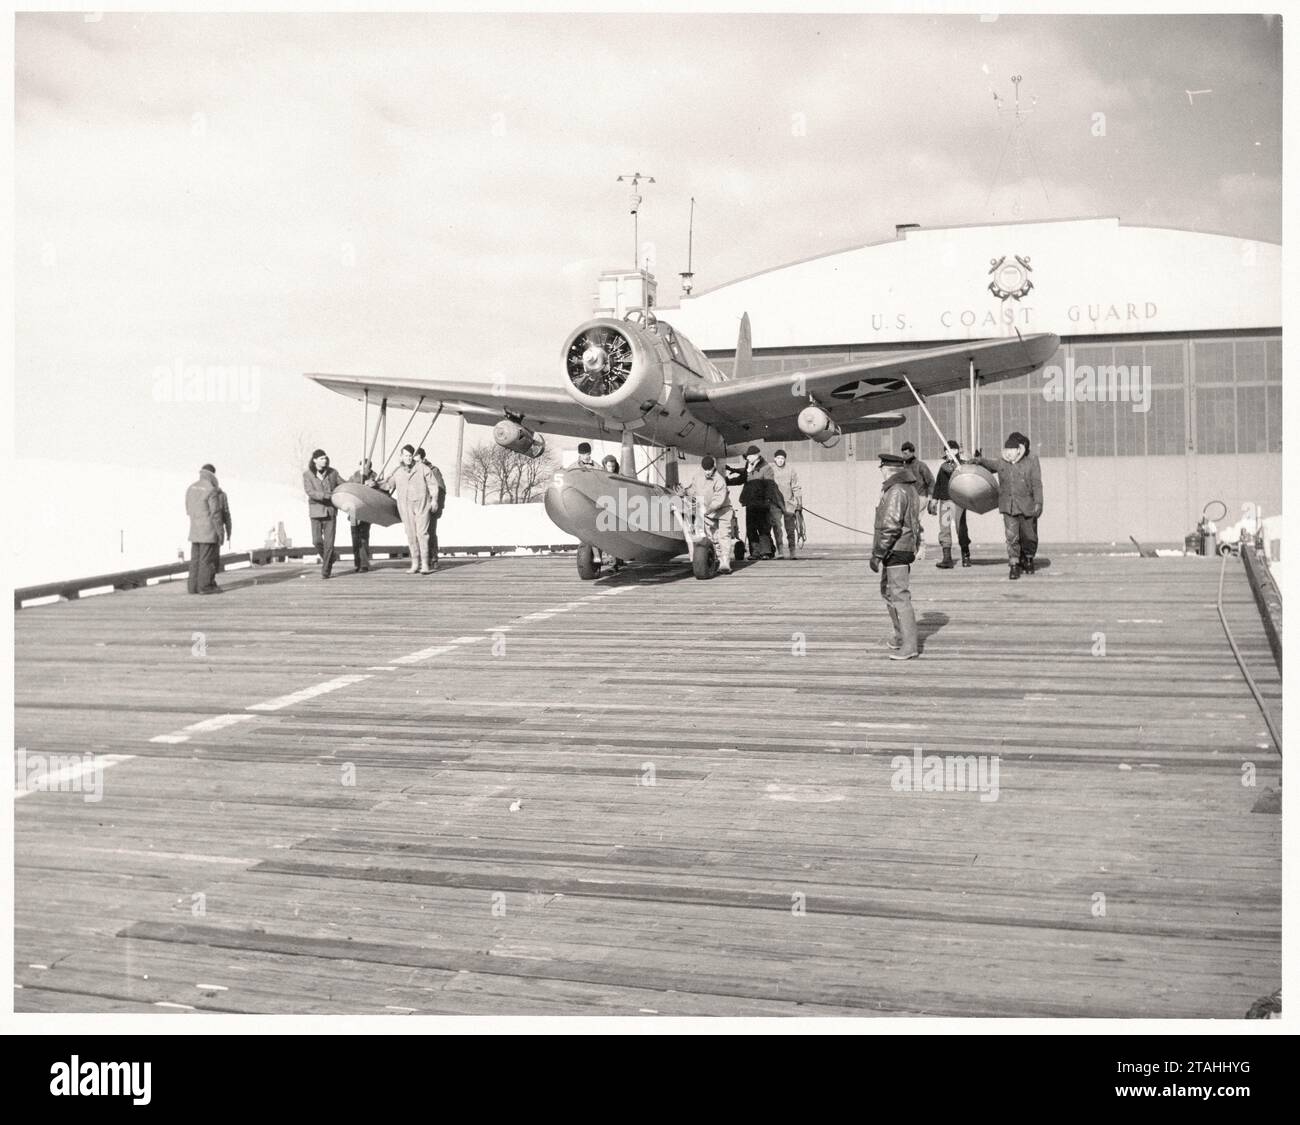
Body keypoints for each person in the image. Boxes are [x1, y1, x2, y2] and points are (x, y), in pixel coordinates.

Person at [870, 452, 922, 660]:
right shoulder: (908, 488)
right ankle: (901, 636)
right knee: (889, 592)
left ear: (887, 469)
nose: (881, 472)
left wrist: (877, 554)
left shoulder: (896, 490)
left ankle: (910, 645)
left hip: (896, 548)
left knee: (899, 596)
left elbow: (891, 526)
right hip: (900, 547)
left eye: (881, 468)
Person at [975, 431, 1043, 580]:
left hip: (1027, 505)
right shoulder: (1002, 462)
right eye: (1008, 450)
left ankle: (1029, 558)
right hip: (1008, 506)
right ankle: (1014, 565)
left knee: (1029, 536)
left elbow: (1037, 483)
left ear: (1020, 449)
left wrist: (1038, 502)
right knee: (1012, 536)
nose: (1011, 452)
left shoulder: (1031, 460)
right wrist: (978, 460)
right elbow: (989, 464)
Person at [381, 444, 438, 574]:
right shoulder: (398, 471)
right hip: (405, 506)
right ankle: (415, 563)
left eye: (410, 455)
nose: (408, 458)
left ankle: (425, 564)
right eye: (405, 455)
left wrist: (434, 500)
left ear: (413, 456)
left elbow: (433, 485)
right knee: (411, 535)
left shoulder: (422, 468)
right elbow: (388, 485)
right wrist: (374, 483)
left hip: (421, 504)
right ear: (401, 456)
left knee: (422, 534)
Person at [679, 455, 734, 574]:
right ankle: (718, 559)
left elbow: (718, 499)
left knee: (724, 535)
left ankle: (725, 562)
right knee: (712, 537)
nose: (708, 472)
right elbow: (693, 490)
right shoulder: (698, 477)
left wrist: (707, 509)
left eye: (709, 469)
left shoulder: (719, 480)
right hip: (708, 514)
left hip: (723, 511)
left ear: (713, 467)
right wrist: (684, 492)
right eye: (706, 470)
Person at [725, 445, 780, 560]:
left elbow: (770, 486)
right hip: (750, 502)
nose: (747, 458)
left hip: (762, 503)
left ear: (756, 455)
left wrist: (768, 500)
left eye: (748, 456)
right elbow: (742, 479)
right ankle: (755, 552)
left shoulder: (766, 468)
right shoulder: (748, 466)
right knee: (751, 528)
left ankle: (767, 552)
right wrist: (727, 481)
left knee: (763, 528)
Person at [185, 463, 229, 594]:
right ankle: (205, 586)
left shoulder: (191, 488)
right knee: (207, 560)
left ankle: (193, 587)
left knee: (195, 560)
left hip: (195, 530)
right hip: (208, 531)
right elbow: (215, 513)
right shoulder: (211, 489)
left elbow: (188, 509)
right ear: (212, 475)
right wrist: (220, 532)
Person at [931, 439, 972, 569]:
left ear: (955, 451)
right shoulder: (943, 467)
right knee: (944, 529)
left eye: (949, 450)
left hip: (959, 501)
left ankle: (966, 555)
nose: (947, 453)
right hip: (945, 501)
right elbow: (938, 485)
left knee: (961, 528)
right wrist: (934, 500)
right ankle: (947, 558)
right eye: (946, 451)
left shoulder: (963, 466)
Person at [303, 450, 343, 579]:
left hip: (330, 512)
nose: (324, 460)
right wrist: (326, 496)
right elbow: (310, 492)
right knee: (316, 541)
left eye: (325, 458)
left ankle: (326, 571)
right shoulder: (307, 475)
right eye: (321, 458)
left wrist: (359, 481)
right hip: (316, 512)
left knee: (329, 543)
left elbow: (344, 484)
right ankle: (332, 557)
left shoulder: (333, 473)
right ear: (314, 460)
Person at [415, 448, 447, 571]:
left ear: (423, 459)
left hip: (431, 506)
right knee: (420, 533)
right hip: (419, 507)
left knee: (431, 532)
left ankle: (433, 559)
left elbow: (441, 489)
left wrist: (438, 506)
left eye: (418, 461)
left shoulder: (433, 470)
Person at [769, 449, 803, 560]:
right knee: (777, 527)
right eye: (778, 458)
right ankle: (780, 551)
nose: (780, 460)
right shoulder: (770, 470)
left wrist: (799, 503)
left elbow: (796, 487)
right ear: (774, 459)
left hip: (788, 503)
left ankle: (792, 551)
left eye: (782, 458)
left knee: (790, 529)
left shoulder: (791, 470)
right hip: (775, 504)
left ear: (785, 459)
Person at [347, 458, 377, 573]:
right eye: (362, 466)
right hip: (354, 511)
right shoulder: (353, 478)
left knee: (364, 537)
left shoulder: (374, 477)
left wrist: (373, 485)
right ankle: (357, 562)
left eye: (367, 467)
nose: (364, 469)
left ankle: (364, 563)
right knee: (355, 537)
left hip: (367, 510)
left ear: (370, 468)